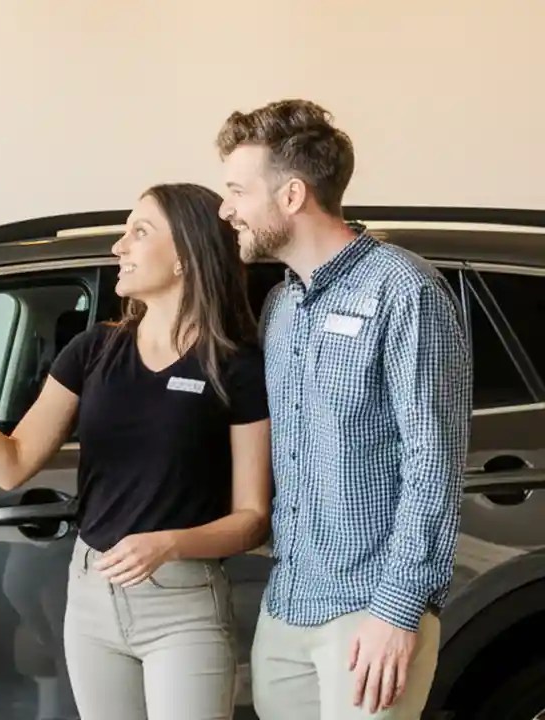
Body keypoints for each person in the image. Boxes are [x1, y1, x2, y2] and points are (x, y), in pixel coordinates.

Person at [0, 183, 273, 720]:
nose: (119, 247)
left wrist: (168, 544)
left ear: (187, 259)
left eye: (138, 233)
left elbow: (252, 519)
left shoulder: (235, 370)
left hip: (183, 605)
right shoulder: (93, 349)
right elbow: (11, 464)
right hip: (92, 599)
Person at [215, 99, 473, 719]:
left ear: (293, 196)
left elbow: (433, 465)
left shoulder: (405, 290)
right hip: (289, 604)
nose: (227, 210)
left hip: (371, 607)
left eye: (237, 191)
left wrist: (398, 609)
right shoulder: (280, 307)